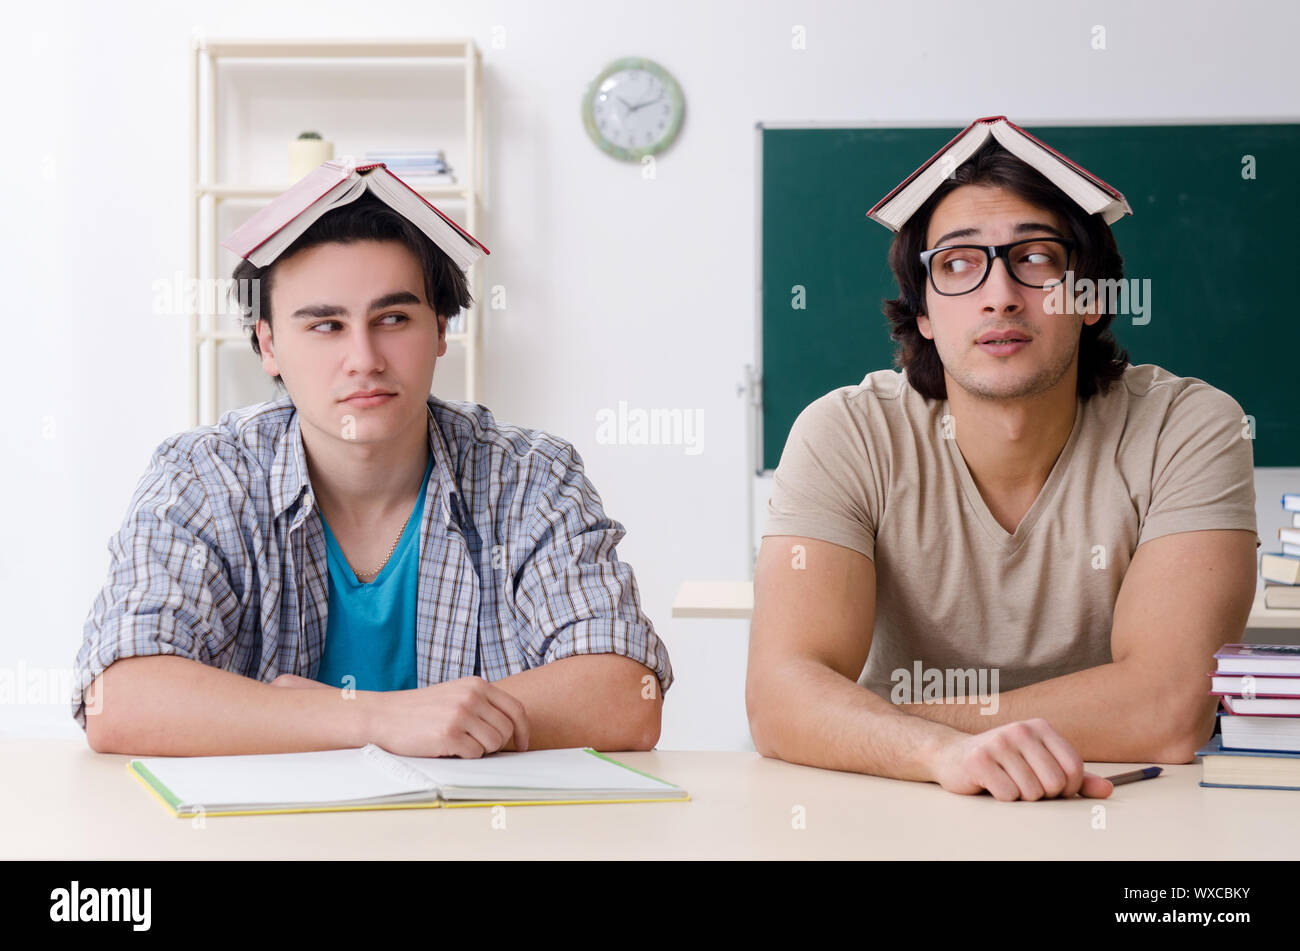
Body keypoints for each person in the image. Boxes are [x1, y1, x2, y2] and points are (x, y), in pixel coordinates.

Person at [747, 137, 1259, 801]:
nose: (1000, 295)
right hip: (898, 803)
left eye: (1036, 257)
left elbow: (1167, 709)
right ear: (924, 312)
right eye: (958, 264)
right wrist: (941, 752)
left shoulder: (1188, 426)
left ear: (1093, 296)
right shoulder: (845, 432)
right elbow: (780, 698)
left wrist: (877, 725)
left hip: (1122, 806)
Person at [74, 193, 671, 757]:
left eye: (392, 318)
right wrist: (378, 719)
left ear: (440, 330)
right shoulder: (203, 477)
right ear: (269, 346)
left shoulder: (529, 477)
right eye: (326, 326)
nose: (364, 358)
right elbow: (119, 699)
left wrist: (308, 716)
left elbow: (626, 696)